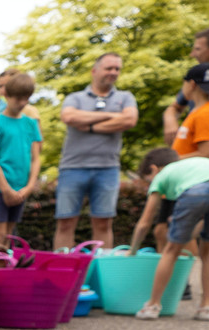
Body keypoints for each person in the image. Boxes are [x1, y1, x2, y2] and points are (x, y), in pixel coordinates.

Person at [55, 53, 138, 250]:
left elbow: (129, 120)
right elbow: (68, 117)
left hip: (108, 168)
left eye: (117, 69)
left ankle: (100, 266)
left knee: (103, 223)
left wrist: (90, 126)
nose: (113, 72)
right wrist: (112, 116)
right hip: (72, 168)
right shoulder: (75, 98)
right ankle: (62, 264)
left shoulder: (125, 97)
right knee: (65, 223)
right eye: (109, 68)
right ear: (94, 71)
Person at [128, 147, 209, 320]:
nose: (150, 184)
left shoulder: (162, 175)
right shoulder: (192, 167)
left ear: (154, 169)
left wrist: (132, 251)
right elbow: (199, 224)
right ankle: (206, 307)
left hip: (194, 192)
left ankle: (153, 305)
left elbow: (144, 223)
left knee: (171, 250)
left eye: (148, 180)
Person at [0, 72, 43, 249]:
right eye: (18, 99)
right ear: (7, 95)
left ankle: (6, 267)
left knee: (9, 236)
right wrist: (6, 190)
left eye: (26, 99)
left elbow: (36, 158)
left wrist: (29, 187)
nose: (22, 103)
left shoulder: (31, 124)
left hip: (21, 188)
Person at [164, 27, 209, 143]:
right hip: (196, 148)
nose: (192, 54)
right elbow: (174, 107)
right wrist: (170, 120)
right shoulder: (199, 76)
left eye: (197, 49)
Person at [174, 64, 209, 160]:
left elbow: (206, 154)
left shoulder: (206, 113)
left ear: (192, 84)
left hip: (195, 169)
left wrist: (171, 161)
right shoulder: (203, 109)